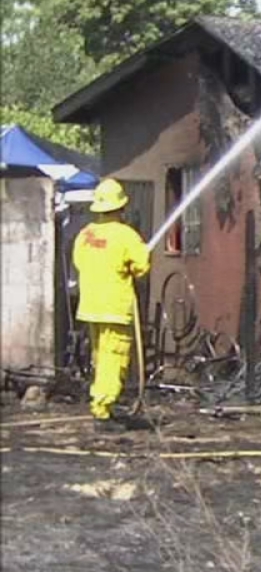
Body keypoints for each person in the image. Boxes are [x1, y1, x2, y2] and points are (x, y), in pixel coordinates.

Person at [73, 179, 151, 432]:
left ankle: (103, 403)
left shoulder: (85, 235)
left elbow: (79, 262)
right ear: (121, 207)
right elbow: (141, 267)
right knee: (113, 358)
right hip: (115, 308)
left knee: (100, 356)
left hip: (90, 306)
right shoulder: (126, 235)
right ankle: (102, 411)